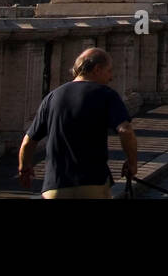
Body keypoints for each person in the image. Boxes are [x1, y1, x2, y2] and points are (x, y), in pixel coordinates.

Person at [18, 47, 137, 199]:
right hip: (92, 184)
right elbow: (125, 130)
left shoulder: (52, 97)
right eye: (109, 71)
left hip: (55, 186)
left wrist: (25, 167)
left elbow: (29, 141)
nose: (111, 77)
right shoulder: (106, 94)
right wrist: (132, 162)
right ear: (97, 69)